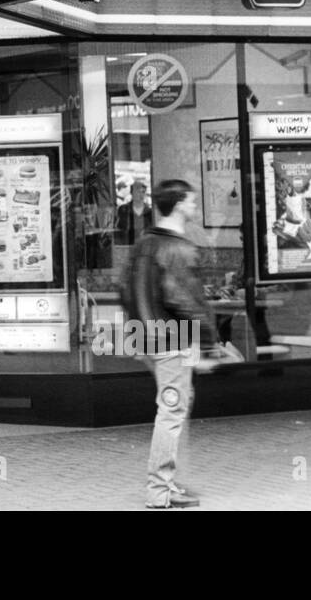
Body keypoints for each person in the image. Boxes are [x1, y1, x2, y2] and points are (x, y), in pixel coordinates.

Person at [116, 178, 213, 510]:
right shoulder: (178, 248)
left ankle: (168, 483)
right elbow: (184, 300)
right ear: (180, 203)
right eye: (192, 201)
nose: (195, 206)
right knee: (171, 412)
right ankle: (160, 491)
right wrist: (208, 340)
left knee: (174, 407)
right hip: (173, 340)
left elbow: (123, 289)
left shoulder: (143, 242)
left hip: (147, 339)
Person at [115, 180, 153, 246]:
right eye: (138, 192)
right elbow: (118, 230)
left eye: (143, 192)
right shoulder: (123, 209)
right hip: (127, 246)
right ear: (132, 193)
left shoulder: (150, 211)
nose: (141, 195)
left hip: (145, 247)